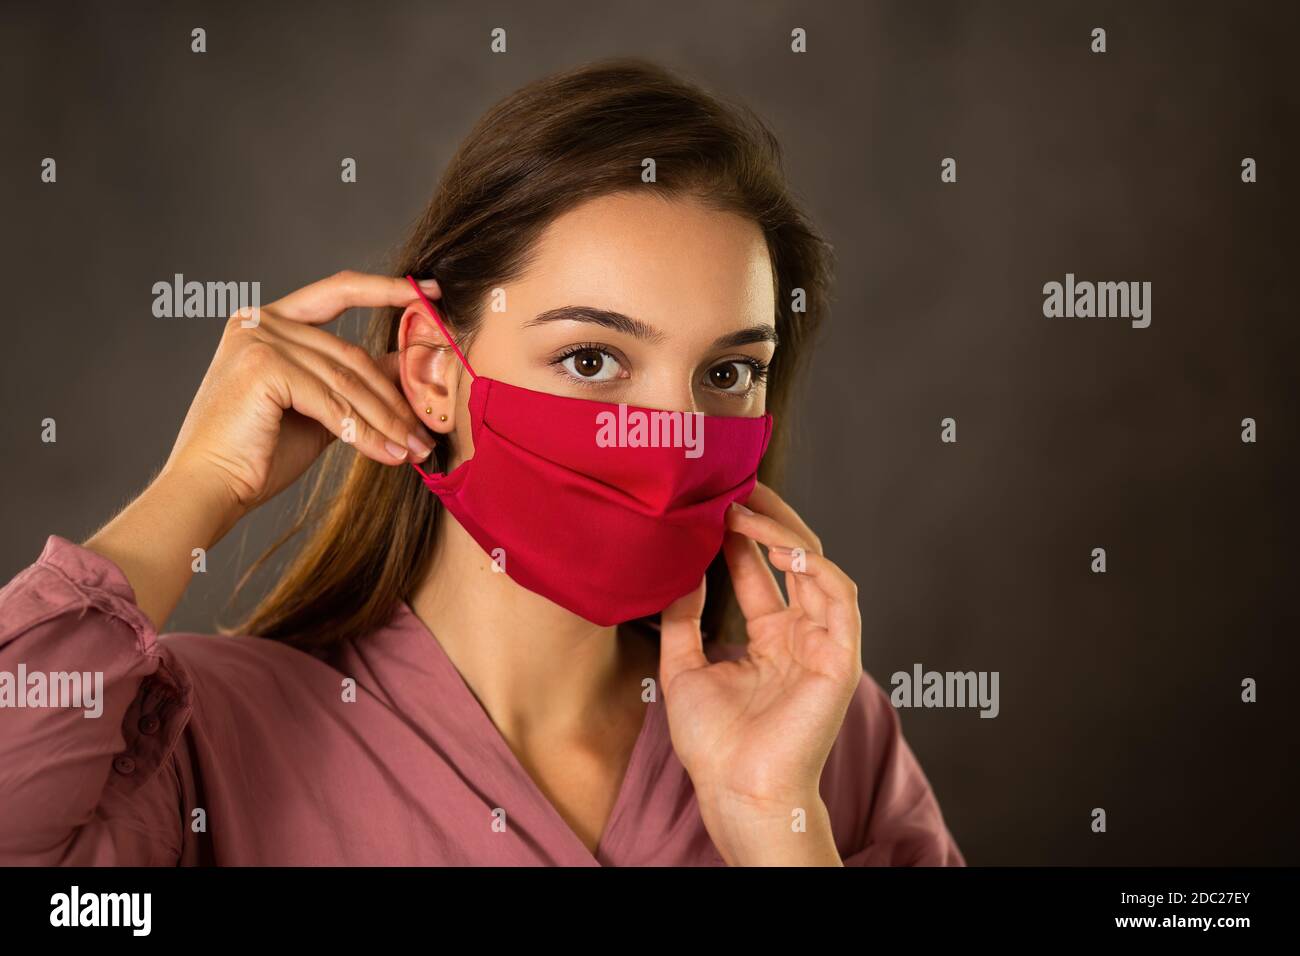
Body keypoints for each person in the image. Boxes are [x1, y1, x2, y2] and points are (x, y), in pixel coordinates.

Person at [0, 59, 963, 866]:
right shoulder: (197, 739)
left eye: (727, 370)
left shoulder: (822, 730)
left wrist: (772, 821)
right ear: (434, 372)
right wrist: (201, 484)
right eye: (592, 360)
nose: (669, 433)